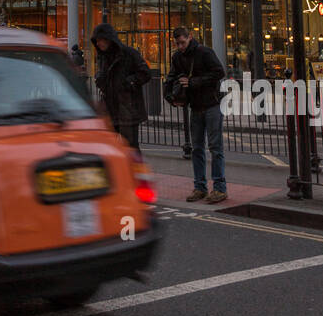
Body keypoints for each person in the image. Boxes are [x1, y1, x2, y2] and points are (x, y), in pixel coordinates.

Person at [164, 24, 227, 204]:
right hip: (195, 107)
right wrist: (169, 96)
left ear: (190, 37)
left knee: (215, 148)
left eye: (182, 43)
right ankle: (200, 187)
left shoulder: (205, 52)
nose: (180, 47)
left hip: (212, 105)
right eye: (177, 44)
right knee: (197, 148)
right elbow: (171, 77)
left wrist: (193, 82)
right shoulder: (177, 57)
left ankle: (219, 188)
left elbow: (219, 72)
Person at [90, 22, 151, 155]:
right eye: (97, 41)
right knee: (111, 149)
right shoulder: (103, 57)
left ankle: (135, 174)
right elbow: (105, 77)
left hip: (128, 109)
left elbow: (146, 73)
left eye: (101, 40)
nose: (99, 44)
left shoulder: (129, 54)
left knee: (131, 148)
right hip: (111, 109)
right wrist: (100, 79)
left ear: (109, 39)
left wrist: (129, 82)